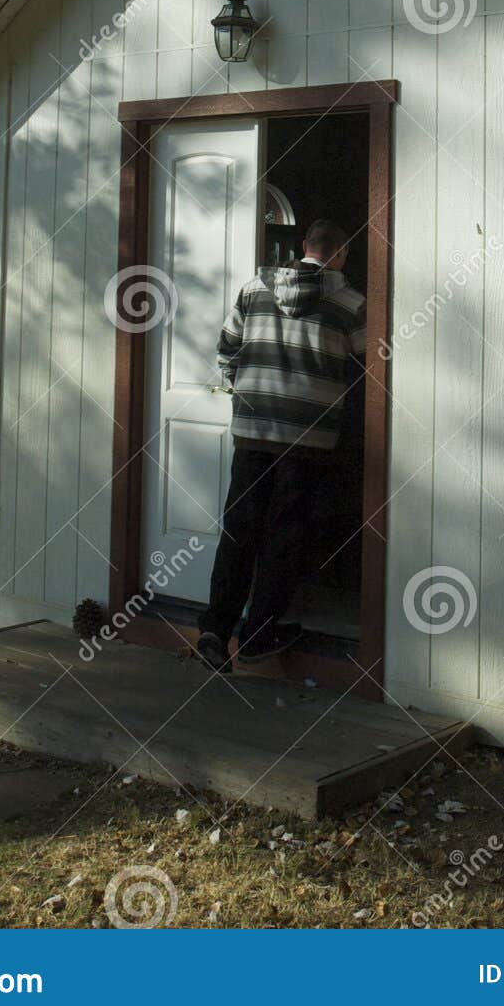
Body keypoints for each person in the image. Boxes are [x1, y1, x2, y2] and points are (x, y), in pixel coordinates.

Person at [194, 219, 367, 673]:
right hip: (309, 437)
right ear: (342, 253)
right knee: (284, 535)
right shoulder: (352, 303)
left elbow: (226, 351)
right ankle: (257, 634)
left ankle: (214, 630)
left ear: (305, 245)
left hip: (254, 431)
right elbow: (371, 364)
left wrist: (250, 394)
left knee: (240, 528)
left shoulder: (254, 289)